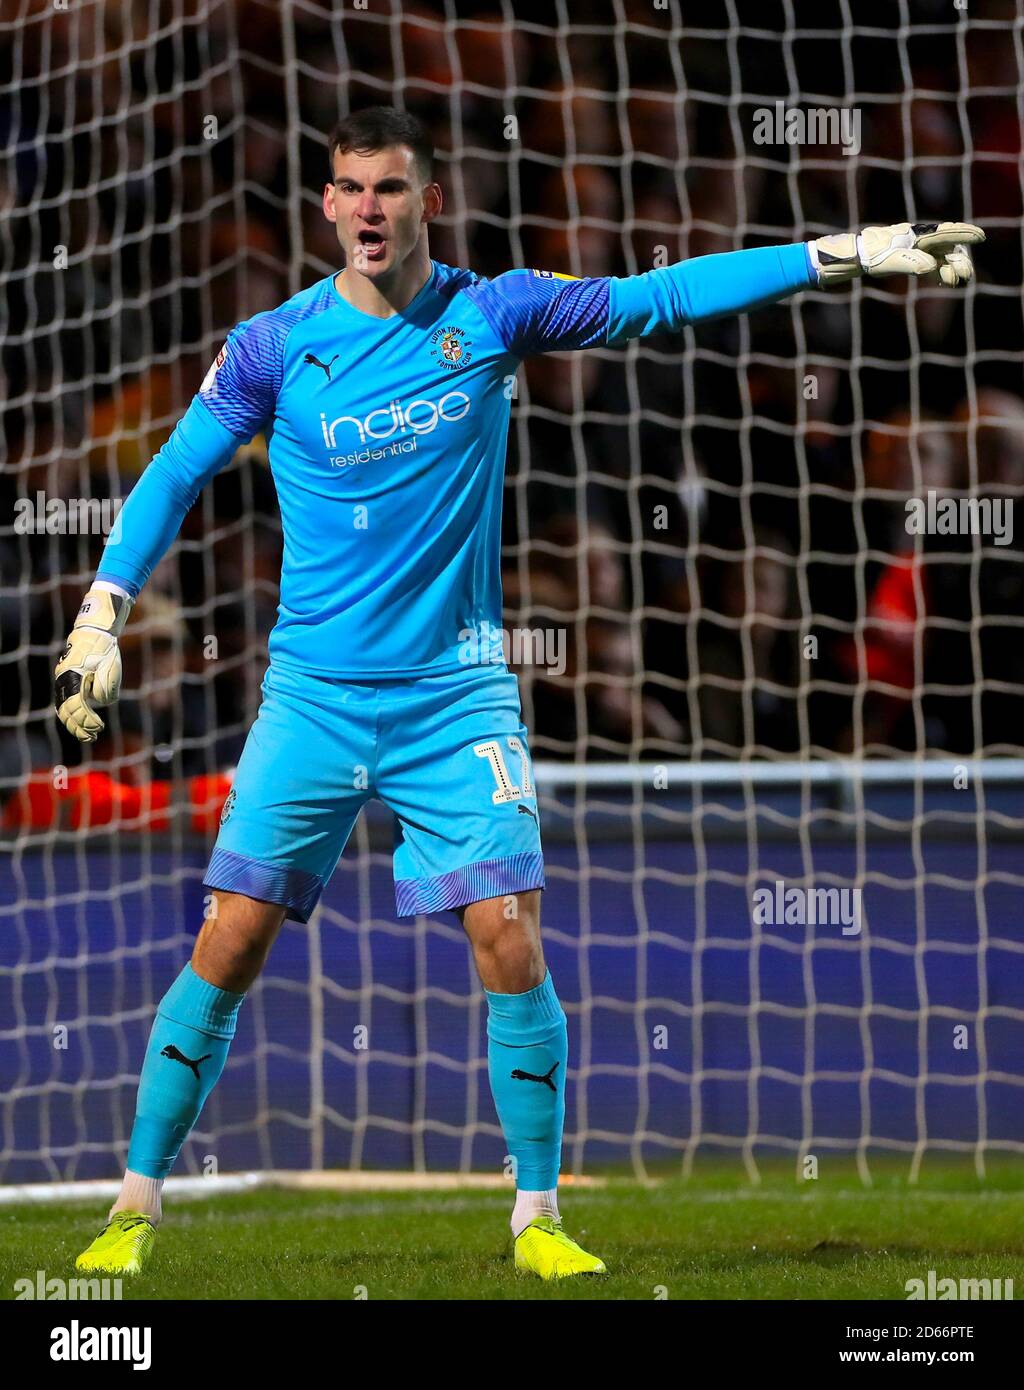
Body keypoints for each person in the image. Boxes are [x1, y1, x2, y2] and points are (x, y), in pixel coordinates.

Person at [54, 105, 982, 1280]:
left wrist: (836, 253)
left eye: (389, 188)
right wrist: (102, 613)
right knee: (230, 941)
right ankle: (132, 1207)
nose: (368, 210)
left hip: (457, 696)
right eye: (348, 188)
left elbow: (657, 300)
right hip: (314, 695)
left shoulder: (491, 312)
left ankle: (536, 1218)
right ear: (327, 203)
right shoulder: (274, 347)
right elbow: (174, 472)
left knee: (508, 936)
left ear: (427, 199)